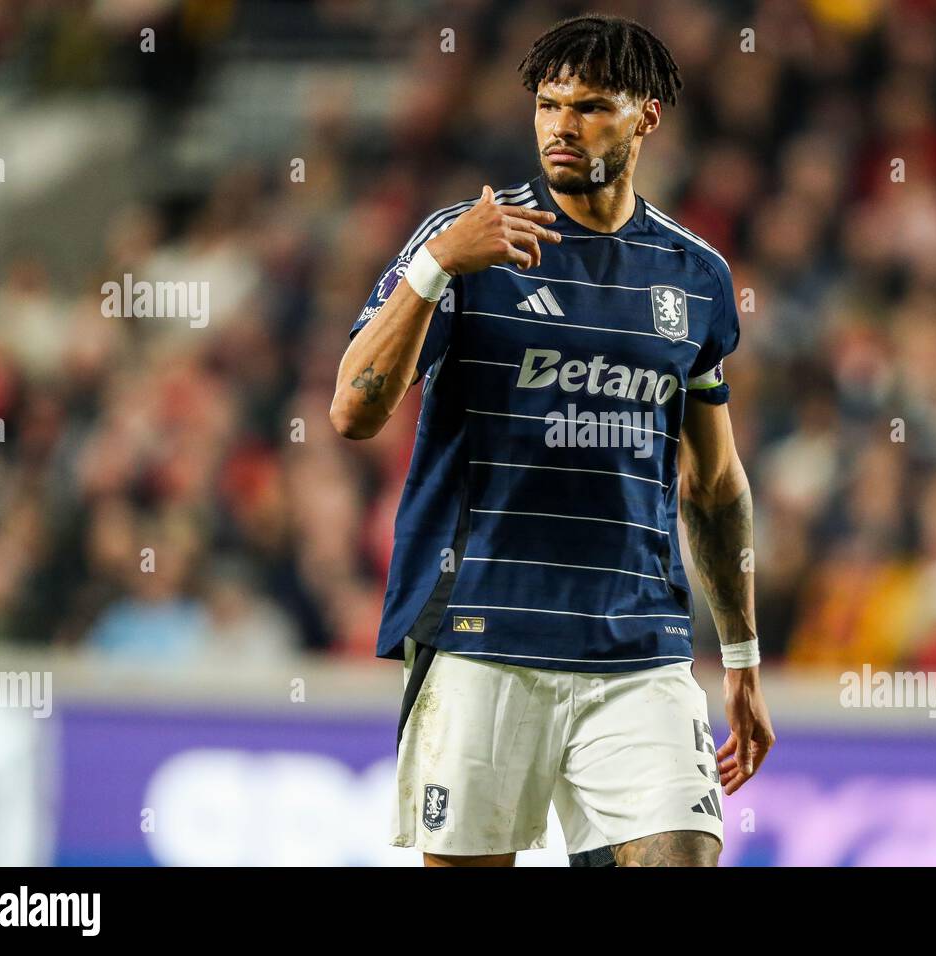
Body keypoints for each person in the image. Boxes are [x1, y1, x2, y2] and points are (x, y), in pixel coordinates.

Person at [330, 13, 774, 867]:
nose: (560, 126)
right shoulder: (466, 242)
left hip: (638, 649)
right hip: (481, 639)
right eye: (547, 104)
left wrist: (744, 657)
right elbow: (353, 410)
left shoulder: (696, 277)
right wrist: (433, 271)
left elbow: (713, 483)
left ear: (646, 116)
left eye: (590, 106)